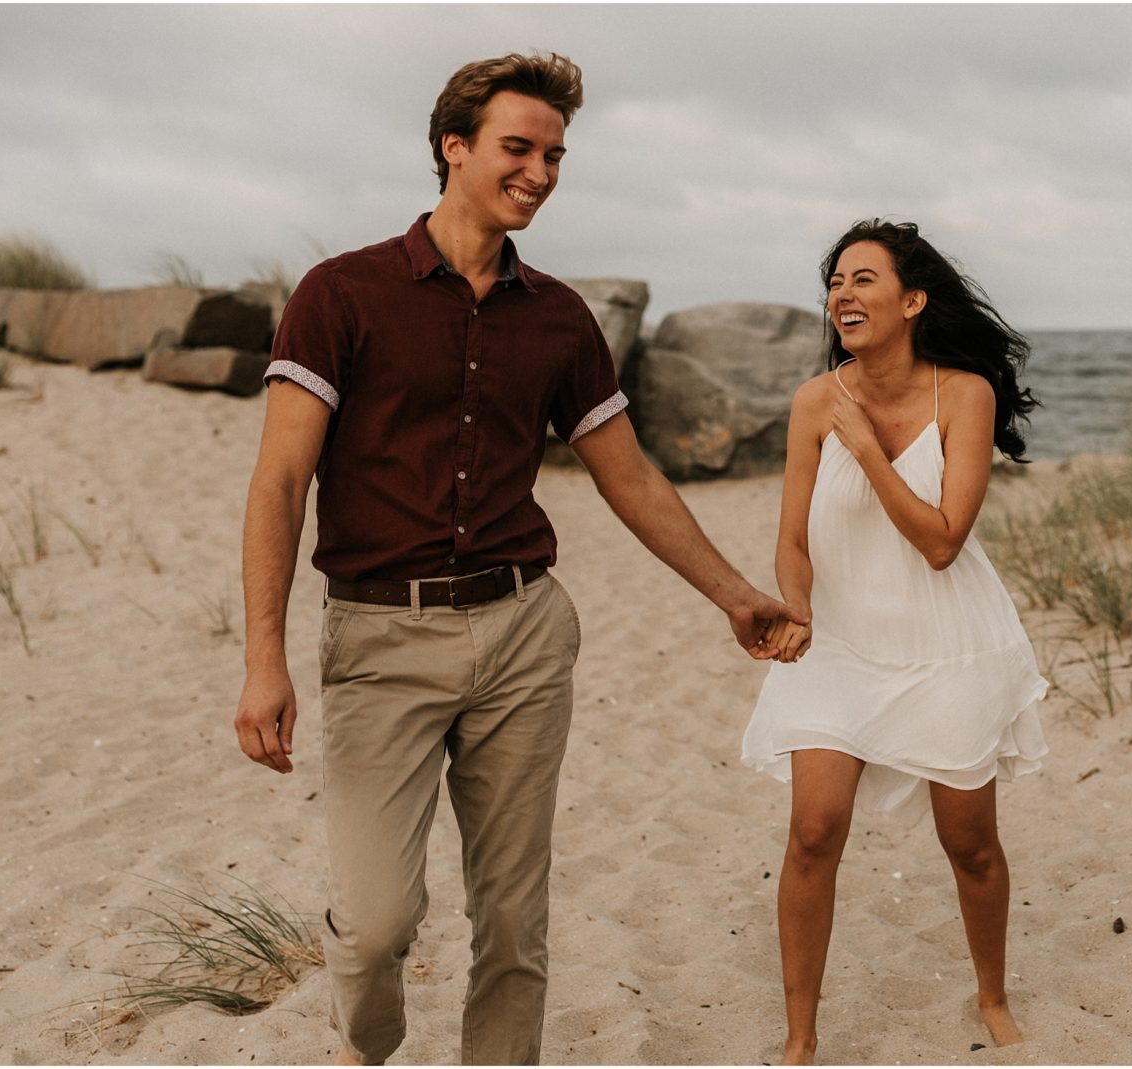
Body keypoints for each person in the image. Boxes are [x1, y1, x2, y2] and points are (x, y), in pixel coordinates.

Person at [232, 52, 800, 1067]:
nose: (539, 171)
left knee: (512, 917)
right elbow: (279, 482)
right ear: (454, 148)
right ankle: (369, 1048)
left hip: (523, 634)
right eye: (517, 148)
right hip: (377, 635)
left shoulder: (560, 318)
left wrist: (734, 594)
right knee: (371, 925)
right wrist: (262, 659)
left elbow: (628, 478)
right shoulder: (341, 293)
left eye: (554, 155)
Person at [742, 219, 1050, 1064]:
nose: (843, 292)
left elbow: (944, 538)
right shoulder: (814, 400)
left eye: (864, 278)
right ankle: (800, 1036)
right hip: (839, 640)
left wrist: (870, 450)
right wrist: (796, 608)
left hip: (945, 641)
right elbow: (792, 538)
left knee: (969, 841)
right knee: (813, 829)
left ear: (912, 301)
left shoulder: (964, 396)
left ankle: (992, 993)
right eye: (836, 280)